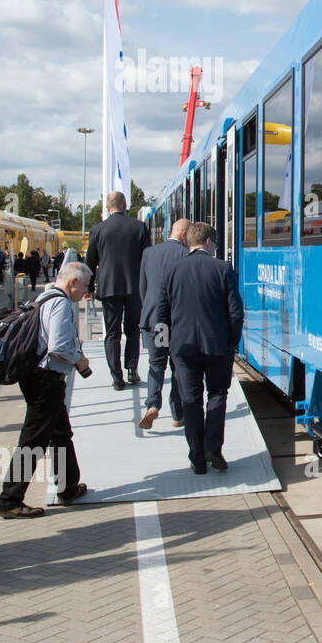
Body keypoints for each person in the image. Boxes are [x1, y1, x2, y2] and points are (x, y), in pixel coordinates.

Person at [0, 261, 93, 519]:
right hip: (45, 380)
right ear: (73, 282)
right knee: (33, 440)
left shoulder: (46, 295)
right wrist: (79, 360)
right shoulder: (60, 303)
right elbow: (58, 345)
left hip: (38, 377)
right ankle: (9, 500)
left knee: (61, 433)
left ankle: (67, 486)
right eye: (84, 286)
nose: (86, 292)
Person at [158, 221, 243, 474]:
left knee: (190, 401)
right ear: (209, 242)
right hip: (217, 346)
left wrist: (164, 345)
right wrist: (232, 342)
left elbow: (161, 312)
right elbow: (235, 313)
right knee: (217, 395)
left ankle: (196, 458)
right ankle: (213, 448)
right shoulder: (223, 268)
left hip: (182, 347)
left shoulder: (171, 269)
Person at [85, 191, 151, 391]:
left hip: (108, 287)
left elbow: (90, 261)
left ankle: (116, 377)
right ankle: (132, 369)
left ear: (107, 207)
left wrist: (88, 288)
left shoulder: (98, 229)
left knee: (112, 332)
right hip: (134, 286)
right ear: (125, 205)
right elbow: (147, 258)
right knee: (132, 329)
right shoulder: (139, 228)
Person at [137, 218, 191, 430]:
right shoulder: (185, 254)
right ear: (184, 235)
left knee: (156, 364)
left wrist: (149, 312)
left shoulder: (149, 253)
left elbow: (143, 287)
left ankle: (152, 405)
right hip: (176, 322)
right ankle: (178, 414)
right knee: (178, 366)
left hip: (155, 320)